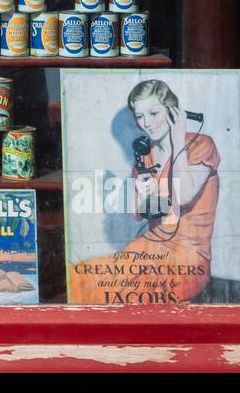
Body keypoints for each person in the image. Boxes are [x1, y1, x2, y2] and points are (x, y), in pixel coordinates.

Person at [67, 79, 221, 304]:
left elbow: (184, 196)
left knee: (124, 294)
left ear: (172, 111)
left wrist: (178, 140)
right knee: (80, 276)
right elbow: (138, 214)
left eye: (154, 113)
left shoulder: (201, 145)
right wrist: (141, 194)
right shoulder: (144, 156)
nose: (147, 123)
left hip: (188, 258)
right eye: (140, 116)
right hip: (148, 247)